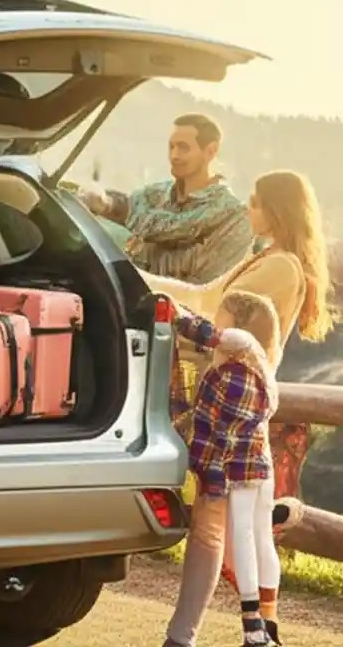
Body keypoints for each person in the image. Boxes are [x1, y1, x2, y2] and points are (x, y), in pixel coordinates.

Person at [148, 169, 334, 647]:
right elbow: (210, 298)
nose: (248, 210)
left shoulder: (281, 267)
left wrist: (150, 290)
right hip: (243, 418)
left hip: (236, 418)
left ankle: (217, 633)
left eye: (254, 202)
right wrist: (152, 285)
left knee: (226, 532)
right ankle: (252, 632)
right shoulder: (268, 257)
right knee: (240, 533)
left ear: (275, 209)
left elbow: (214, 313)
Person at [167, 292, 282, 647]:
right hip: (254, 469)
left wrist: (173, 313)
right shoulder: (259, 370)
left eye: (222, 319)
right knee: (249, 541)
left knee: (213, 539)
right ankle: (264, 625)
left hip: (228, 468)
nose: (215, 326)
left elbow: (210, 428)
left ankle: (188, 636)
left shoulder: (234, 372)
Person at [82, 113, 254, 284]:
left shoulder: (233, 216)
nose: (174, 156)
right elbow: (125, 206)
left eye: (183, 148)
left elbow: (209, 284)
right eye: (171, 147)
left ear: (211, 151)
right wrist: (101, 201)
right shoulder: (154, 194)